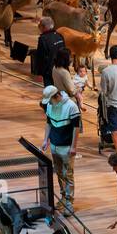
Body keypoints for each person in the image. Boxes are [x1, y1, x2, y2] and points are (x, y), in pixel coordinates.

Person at [41, 85, 81, 214]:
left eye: (50, 100)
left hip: (67, 146)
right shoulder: (50, 105)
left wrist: (74, 146)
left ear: (56, 96)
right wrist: (45, 140)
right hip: (54, 145)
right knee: (58, 173)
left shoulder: (71, 106)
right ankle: (63, 197)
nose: (49, 103)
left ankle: (69, 202)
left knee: (68, 174)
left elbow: (76, 128)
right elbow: (48, 123)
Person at [32, 18, 65, 88]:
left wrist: (39, 73)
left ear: (43, 27)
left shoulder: (43, 39)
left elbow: (41, 56)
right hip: (61, 69)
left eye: (40, 26)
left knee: (50, 92)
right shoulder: (59, 36)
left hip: (49, 71)